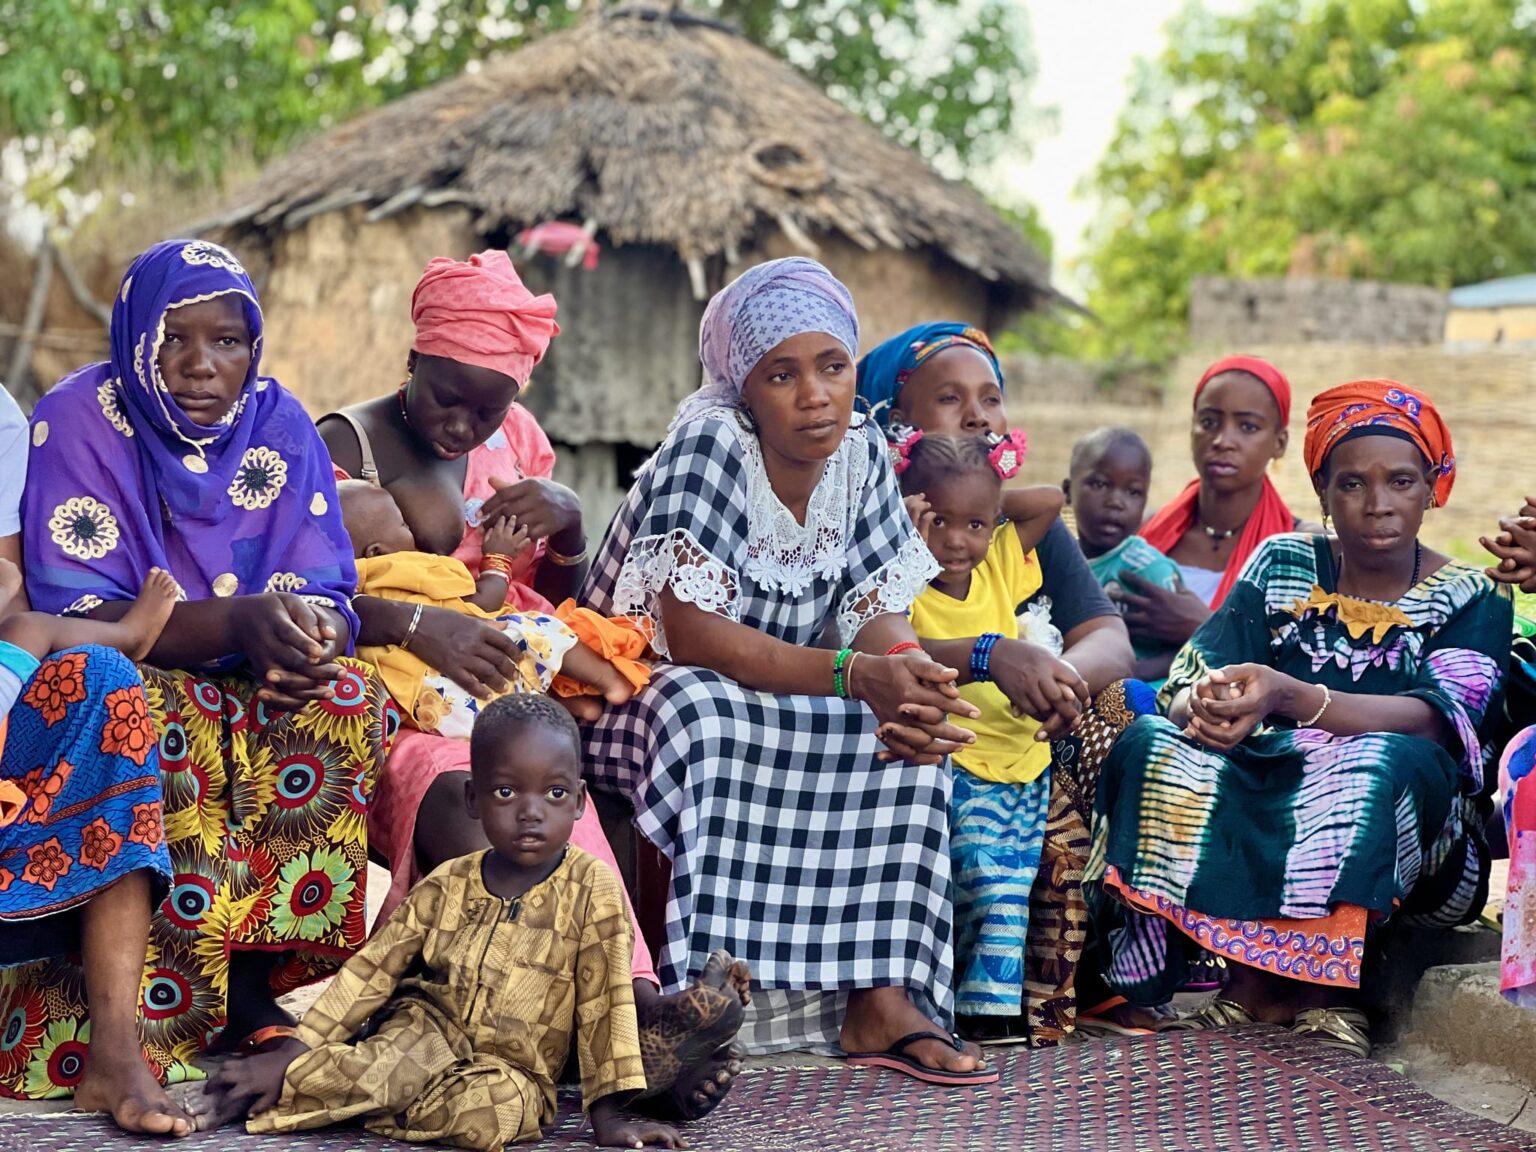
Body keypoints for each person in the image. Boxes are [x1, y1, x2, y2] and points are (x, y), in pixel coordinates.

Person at [320, 250, 748, 1118]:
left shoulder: (515, 444)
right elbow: (302, 597)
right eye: (449, 396)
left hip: (507, 685)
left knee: (544, 777)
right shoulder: (340, 444)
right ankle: (622, 1031)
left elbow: (551, 604)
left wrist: (573, 536)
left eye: (493, 404)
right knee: (478, 782)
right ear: (414, 360)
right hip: (395, 703)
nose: (467, 425)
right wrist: (419, 624)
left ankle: (621, 1014)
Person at [581, 258, 996, 1087]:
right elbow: (693, 636)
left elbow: (873, 608)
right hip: (635, 688)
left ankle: (879, 998)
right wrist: (856, 675)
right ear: (744, 386)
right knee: (707, 712)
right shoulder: (709, 446)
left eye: (833, 367)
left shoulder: (866, 453)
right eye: (783, 374)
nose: (815, 395)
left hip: (796, 681)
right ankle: (708, 1000)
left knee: (905, 740)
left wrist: (908, 674)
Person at [16, 239, 394, 1088]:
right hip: (126, 661)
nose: (201, 365)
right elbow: (71, 609)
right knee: (147, 710)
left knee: (344, 698)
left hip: (249, 667)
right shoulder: (78, 418)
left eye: (228, 341)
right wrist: (238, 618)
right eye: (175, 339)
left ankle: (252, 996)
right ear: (136, 338)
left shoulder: (279, 421)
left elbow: (325, 578)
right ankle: (145, 1018)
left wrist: (307, 639)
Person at [1088, 380, 1509, 1057]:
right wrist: (1210, 706)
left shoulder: (1471, 595)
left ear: (1433, 486)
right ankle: (1247, 981)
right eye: (1352, 484)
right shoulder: (1284, 561)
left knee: (1376, 762)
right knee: (1149, 740)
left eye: (1401, 481)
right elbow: (1197, 671)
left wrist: (1293, 699)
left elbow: (1438, 722)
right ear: (1321, 490)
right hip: (1268, 776)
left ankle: (1328, 992)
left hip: (1416, 828)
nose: (1378, 505)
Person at [193, 694, 689, 1151]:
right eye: (506, 791)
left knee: (493, 1115)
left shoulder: (593, 890)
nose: (531, 813)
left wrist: (609, 1117)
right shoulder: (448, 883)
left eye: (555, 794)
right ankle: (293, 1074)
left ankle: (322, 1090)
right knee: (394, 1062)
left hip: (514, 1067)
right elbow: (372, 973)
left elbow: (607, 1001)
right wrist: (298, 1045)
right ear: (473, 800)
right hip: (426, 1030)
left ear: (581, 801)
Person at [855, 321, 1142, 1043]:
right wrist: (990, 653)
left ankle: (1097, 969)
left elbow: (1110, 637)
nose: (979, 416)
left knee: (1123, 707)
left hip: (1019, 740)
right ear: (895, 423)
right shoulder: (872, 530)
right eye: (950, 400)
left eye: (991, 398)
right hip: (928, 726)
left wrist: (1056, 677)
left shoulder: (1010, 536)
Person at [338, 480, 646, 737]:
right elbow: (480, 606)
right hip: (464, 675)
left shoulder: (352, 587)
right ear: (377, 551)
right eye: (402, 523)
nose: (412, 532)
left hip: (433, 710)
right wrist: (497, 559)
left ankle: (567, 704)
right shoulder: (409, 566)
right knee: (536, 629)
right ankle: (608, 679)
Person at [1122, 355, 1301, 660]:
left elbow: (1302, 666)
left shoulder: (1298, 551)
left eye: (1247, 426)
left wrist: (1201, 625)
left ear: (1279, 443)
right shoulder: (1142, 532)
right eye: (1208, 422)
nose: (1222, 440)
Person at [1066, 428, 1183, 685]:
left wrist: (1130, 673)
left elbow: (1187, 649)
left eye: (1133, 492)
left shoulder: (1148, 569)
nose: (1115, 502)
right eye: (1099, 484)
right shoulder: (1057, 561)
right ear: (1067, 491)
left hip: (1144, 695)